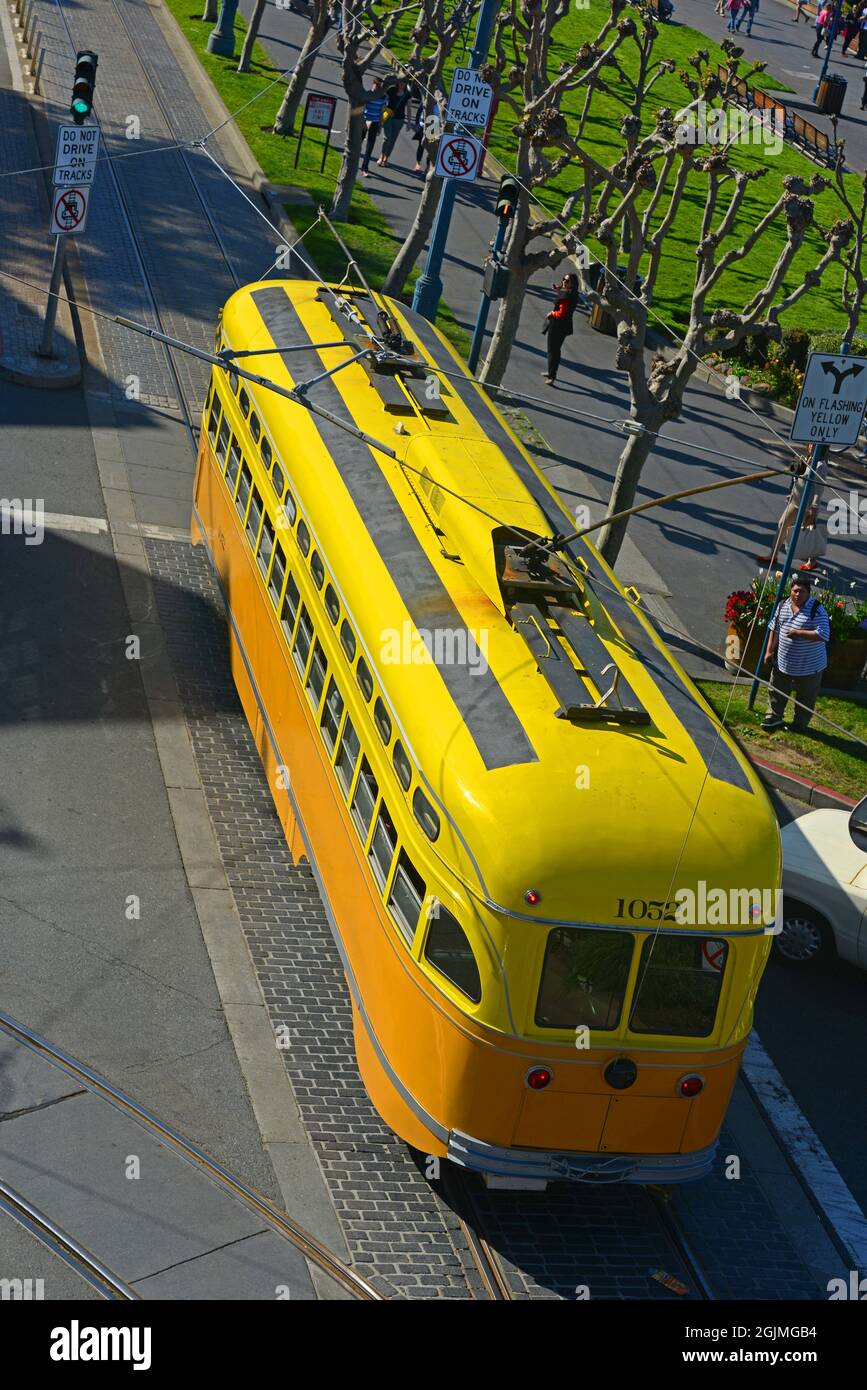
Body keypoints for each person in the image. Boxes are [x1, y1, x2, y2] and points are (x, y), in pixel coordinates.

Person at [762, 574, 831, 732]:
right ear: (790, 591)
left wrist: (799, 633)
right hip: (783, 663)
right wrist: (769, 651)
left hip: (809, 665)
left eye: (801, 591)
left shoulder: (816, 609)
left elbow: (823, 634)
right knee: (776, 690)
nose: (797, 594)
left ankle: (799, 724)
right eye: (795, 591)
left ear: (808, 593)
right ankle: (774, 717)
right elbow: (774, 628)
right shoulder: (783, 605)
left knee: (805, 697)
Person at [542, 274, 580, 386]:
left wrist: (552, 313)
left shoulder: (566, 297)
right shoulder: (572, 294)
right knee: (556, 350)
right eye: (564, 279)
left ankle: (551, 376)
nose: (564, 281)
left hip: (557, 326)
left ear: (572, 283)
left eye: (567, 281)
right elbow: (564, 297)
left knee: (552, 351)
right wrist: (558, 291)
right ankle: (551, 372)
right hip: (564, 327)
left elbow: (561, 313)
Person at [377, 79, 410, 166]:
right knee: (387, 138)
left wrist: (409, 122)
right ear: (398, 82)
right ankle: (381, 156)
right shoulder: (391, 90)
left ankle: (386, 158)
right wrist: (384, 110)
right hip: (388, 118)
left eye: (404, 82)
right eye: (401, 82)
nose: (402, 84)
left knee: (393, 140)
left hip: (399, 120)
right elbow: (384, 101)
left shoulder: (407, 94)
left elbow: (409, 108)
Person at [360, 77, 387, 177]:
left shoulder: (383, 97)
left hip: (375, 122)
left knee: (370, 146)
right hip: (365, 121)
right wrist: (362, 122)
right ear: (373, 84)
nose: (377, 87)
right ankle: (352, 161)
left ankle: (364, 168)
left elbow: (381, 112)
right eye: (376, 84)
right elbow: (362, 110)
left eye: (379, 86)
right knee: (359, 142)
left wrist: (380, 126)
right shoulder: (368, 95)